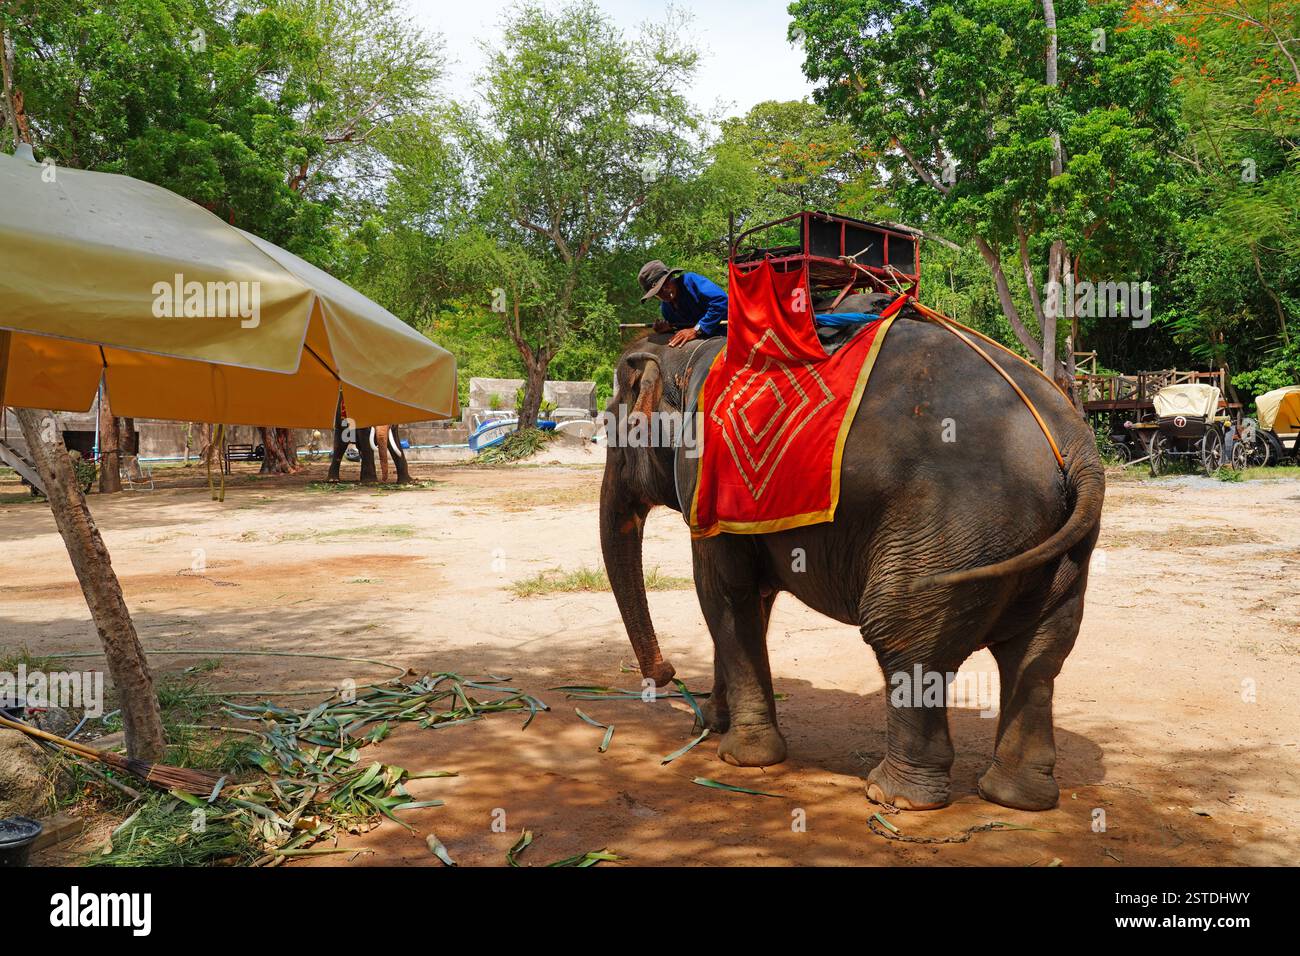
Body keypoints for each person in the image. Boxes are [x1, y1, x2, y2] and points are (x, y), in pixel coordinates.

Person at [638, 260, 727, 348]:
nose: (665, 291)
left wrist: (697, 330)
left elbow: (721, 301)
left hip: (728, 333)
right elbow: (684, 331)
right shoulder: (666, 309)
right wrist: (670, 330)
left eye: (665, 284)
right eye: (659, 291)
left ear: (671, 277)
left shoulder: (691, 281)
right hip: (703, 346)